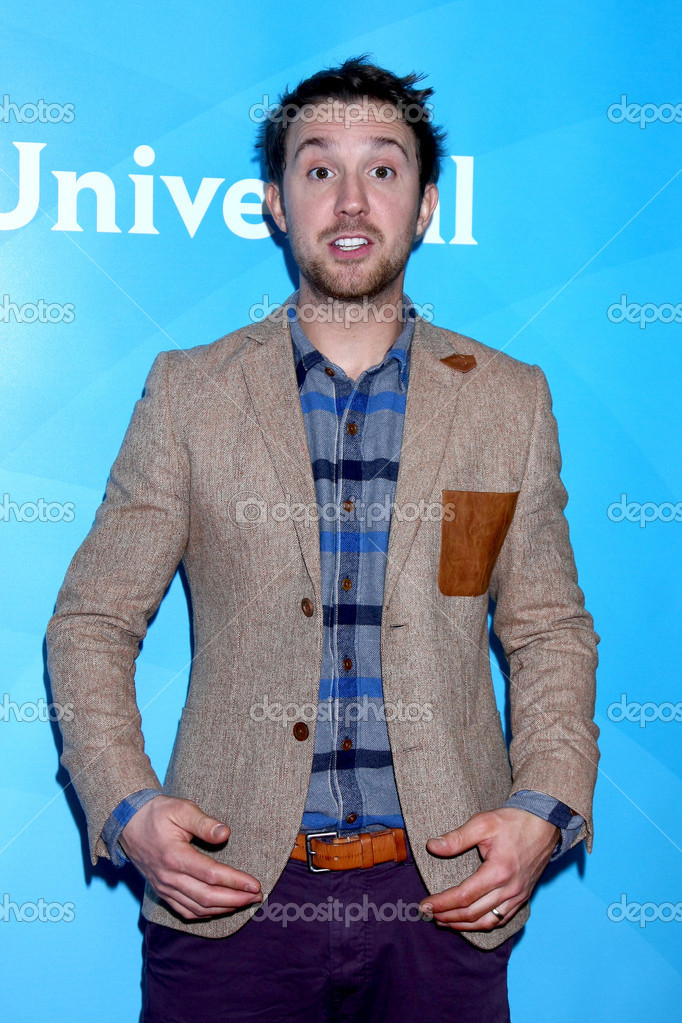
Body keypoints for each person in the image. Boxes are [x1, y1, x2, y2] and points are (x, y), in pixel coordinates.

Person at [46, 55, 600, 1022]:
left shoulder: (509, 402)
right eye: (318, 169)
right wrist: (127, 806)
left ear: (426, 204)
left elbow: (550, 631)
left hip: (444, 899)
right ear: (275, 201)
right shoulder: (190, 392)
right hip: (230, 902)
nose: (351, 200)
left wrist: (543, 808)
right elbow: (91, 621)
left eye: (382, 168)